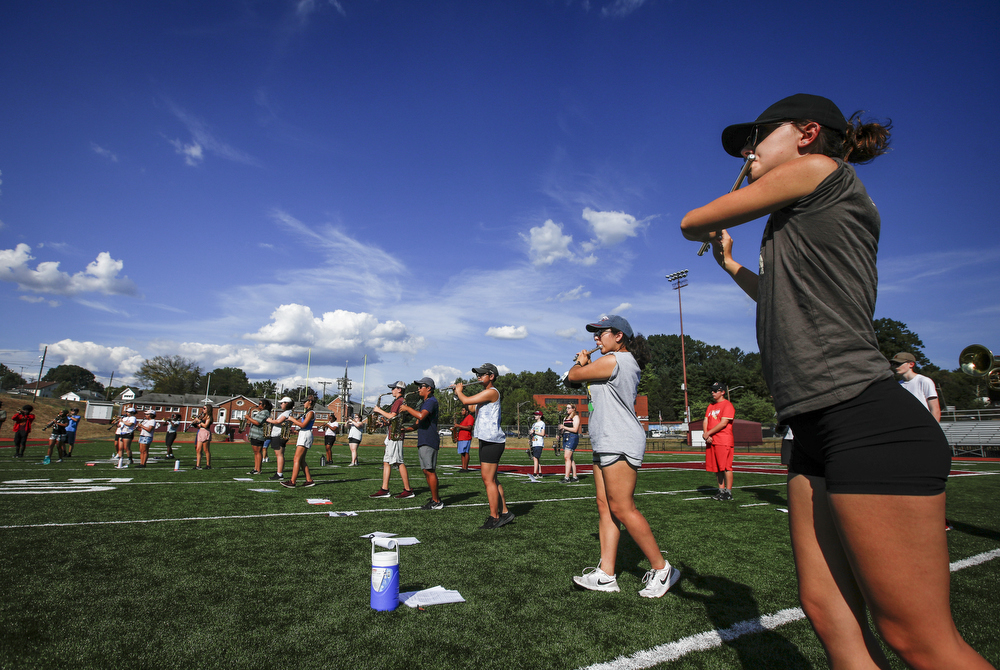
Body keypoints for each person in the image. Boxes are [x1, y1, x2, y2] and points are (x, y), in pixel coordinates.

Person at [680, 94, 991, 668]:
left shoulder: (822, 170)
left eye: (756, 138)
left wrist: (720, 215)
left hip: (864, 418)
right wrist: (730, 267)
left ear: (805, 132)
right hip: (813, 425)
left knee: (918, 641)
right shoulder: (793, 214)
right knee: (827, 612)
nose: (748, 151)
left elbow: (691, 221)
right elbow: (777, 296)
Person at [567, 315, 679, 598]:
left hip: (619, 439)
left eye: (600, 333)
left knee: (622, 508)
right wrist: (585, 364)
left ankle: (663, 568)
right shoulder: (608, 360)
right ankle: (606, 574)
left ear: (619, 336)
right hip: (606, 438)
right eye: (594, 333)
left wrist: (581, 362)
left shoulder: (616, 360)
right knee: (605, 507)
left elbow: (573, 377)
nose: (595, 338)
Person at [454, 364, 514, 530]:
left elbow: (466, 400)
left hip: (492, 441)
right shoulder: (485, 394)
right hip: (488, 440)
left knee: (488, 480)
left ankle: (494, 517)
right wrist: (457, 393)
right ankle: (505, 512)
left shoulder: (492, 392)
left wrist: (460, 392)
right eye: (477, 375)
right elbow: (471, 407)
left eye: (482, 374)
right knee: (492, 479)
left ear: (491, 376)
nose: (478, 377)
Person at [398, 378, 443, 510]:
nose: (418, 389)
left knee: (430, 471)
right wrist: (405, 429)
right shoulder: (425, 402)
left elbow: (421, 416)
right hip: (423, 440)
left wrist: (407, 408)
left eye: (421, 386)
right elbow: (418, 423)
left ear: (428, 388)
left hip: (429, 440)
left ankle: (436, 501)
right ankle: (434, 498)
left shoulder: (431, 401)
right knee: (426, 471)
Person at [369, 382, 415, 499]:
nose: (392, 390)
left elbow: (392, 416)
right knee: (387, 462)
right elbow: (393, 419)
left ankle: (408, 490)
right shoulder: (398, 401)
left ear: (399, 389)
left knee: (399, 461)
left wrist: (379, 410)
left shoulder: (398, 401)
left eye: (393, 388)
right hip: (392, 435)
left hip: (395, 436)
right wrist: (382, 424)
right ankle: (384, 489)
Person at [703, 382, 736, 500]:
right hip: (712, 440)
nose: (713, 392)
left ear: (722, 392)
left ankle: (729, 492)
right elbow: (705, 420)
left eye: (716, 390)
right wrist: (707, 435)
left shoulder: (727, 405)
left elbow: (723, 423)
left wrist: (708, 433)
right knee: (717, 467)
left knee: (726, 467)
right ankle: (721, 490)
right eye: (712, 390)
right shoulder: (710, 406)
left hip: (723, 440)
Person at [892, 352, 942, 422]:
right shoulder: (897, 385)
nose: (895, 366)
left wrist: (934, 430)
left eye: (898, 364)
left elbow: (935, 409)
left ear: (911, 364)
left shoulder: (924, 381)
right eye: (893, 364)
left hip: (923, 425)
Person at [281, 396, 317, 488]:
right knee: (301, 460)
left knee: (296, 459)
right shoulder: (307, 413)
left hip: (305, 435)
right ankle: (309, 480)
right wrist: (295, 430)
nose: (303, 404)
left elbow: (304, 425)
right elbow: (302, 426)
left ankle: (293, 481)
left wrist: (292, 419)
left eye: (305, 402)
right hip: (303, 434)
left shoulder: (311, 413)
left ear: (310, 402)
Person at [265, 397, 295, 480]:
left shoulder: (287, 413)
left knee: (279, 455)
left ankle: (279, 474)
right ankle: (279, 473)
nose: (280, 404)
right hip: (278, 434)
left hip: (279, 435)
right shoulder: (287, 412)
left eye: (282, 403)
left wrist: (269, 420)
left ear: (287, 403)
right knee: (279, 455)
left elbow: (278, 421)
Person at [246, 399, 272, 475]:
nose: (258, 405)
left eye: (260, 404)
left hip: (258, 434)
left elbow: (257, 422)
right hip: (255, 434)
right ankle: (256, 468)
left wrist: (248, 418)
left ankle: (258, 469)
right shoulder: (262, 412)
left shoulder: (265, 412)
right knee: (256, 452)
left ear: (264, 405)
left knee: (258, 452)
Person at [558, 403, 581, 483]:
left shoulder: (576, 417)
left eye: (568, 408)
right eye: (566, 408)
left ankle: (567, 478)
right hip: (565, 436)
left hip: (572, 437)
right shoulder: (565, 418)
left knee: (566, 457)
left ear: (573, 409)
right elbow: (564, 429)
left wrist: (564, 427)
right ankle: (575, 476)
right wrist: (560, 433)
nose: (567, 409)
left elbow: (575, 429)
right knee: (570, 458)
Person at [452, 405, 475, 472]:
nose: (461, 412)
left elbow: (469, 427)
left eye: (463, 410)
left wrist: (458, 425)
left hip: (466, 437)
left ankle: (466, 468)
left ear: (467, 411)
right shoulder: (463, 419)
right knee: (462, 453)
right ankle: (463, 467)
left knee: (466, 452)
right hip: (461, 438)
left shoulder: (470, 417)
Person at [192, 401, 214, 470]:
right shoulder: (203, 417)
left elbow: (205, 425)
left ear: (208, 409)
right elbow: (200, 426)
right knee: (198, 450)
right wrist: (195, 424)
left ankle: (208, 465)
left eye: (204, 408)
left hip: (205, 432)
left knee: (206, 450)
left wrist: (199, 421)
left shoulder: (209, 417)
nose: (203, 410)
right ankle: (198, 465)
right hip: (200, 432)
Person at [529, 410, 545, 480]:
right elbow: (533, 433)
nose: (535, 416)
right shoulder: (534, 424)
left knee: (535, 458)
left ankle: (535, 473)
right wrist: (530, 438)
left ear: (540, 416)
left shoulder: (542, 423)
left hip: (539, 443)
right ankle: (540, 473)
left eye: (536, 415)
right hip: (534, 442)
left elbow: (542, 434)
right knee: (536, 458)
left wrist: (534, 432)